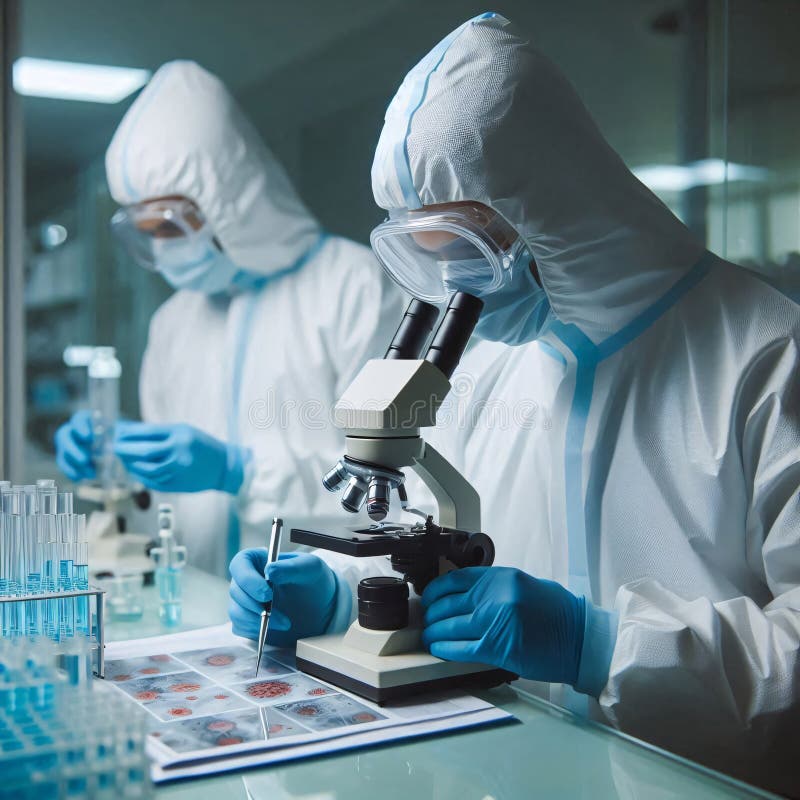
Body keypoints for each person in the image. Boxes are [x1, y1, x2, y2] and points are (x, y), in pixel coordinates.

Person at [228, 14, 800, 794]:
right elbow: (447, 568)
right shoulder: (496, 366)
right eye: (426, 259)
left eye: (464, 250)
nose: (452, 290)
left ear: (553, 211)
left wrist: (600, 646)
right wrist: (339, 597)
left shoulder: (766, 357)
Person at [55, 60, 406, 575]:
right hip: (193, 604)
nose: (161, 246)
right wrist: (121, 459)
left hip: (318, 607)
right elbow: (167, 493)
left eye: (171, 225)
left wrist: (241, 471)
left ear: (230, 201)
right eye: (145, 230)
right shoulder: (173, 321)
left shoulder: (353, 285)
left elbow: (390, 485)